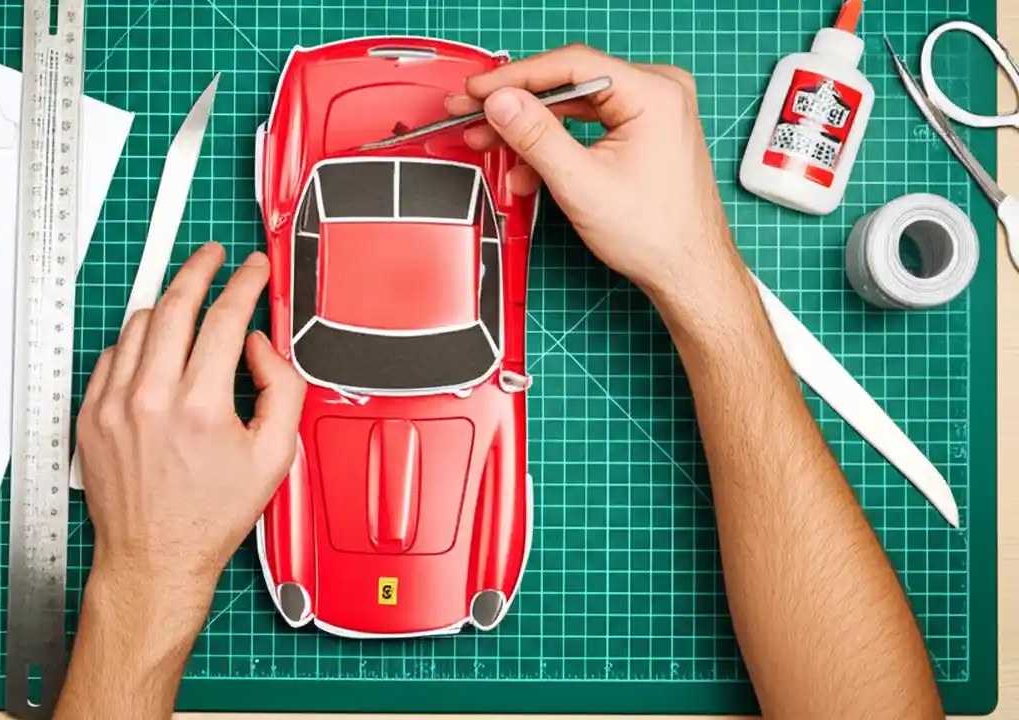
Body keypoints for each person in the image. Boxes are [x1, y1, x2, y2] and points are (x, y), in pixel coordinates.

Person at [54, 45, 945, 720]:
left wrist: (149, 577)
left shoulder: (484, 259)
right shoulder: (329, 199)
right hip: (370, 382)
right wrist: (704, 277)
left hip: (461, 381)